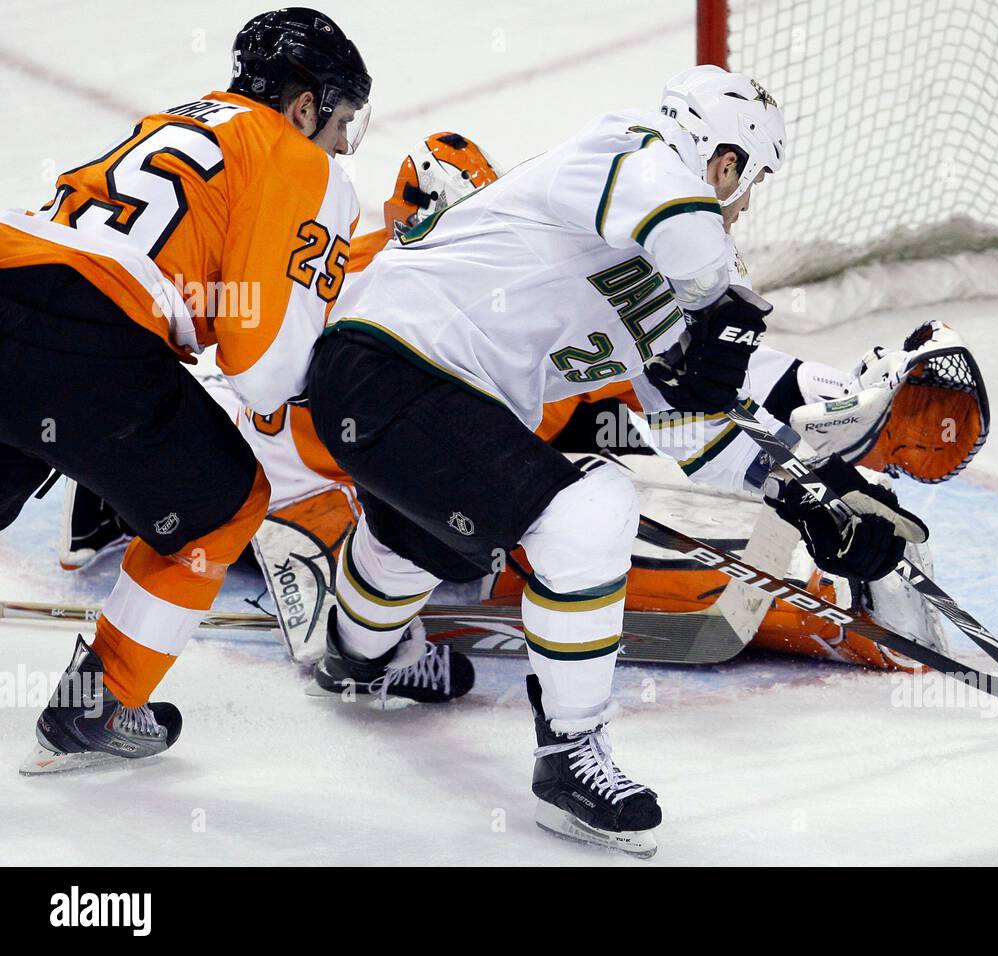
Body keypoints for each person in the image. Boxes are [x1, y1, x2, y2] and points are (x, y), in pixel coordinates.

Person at [303, 64, 928, 857]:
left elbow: (693, 415)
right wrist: (720, 309)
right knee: (589, 506)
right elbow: (696, 253)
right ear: (723, 161)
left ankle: (356, 658)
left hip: (418, 404)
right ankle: (571, 756)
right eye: (749, 180)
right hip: (389, 366)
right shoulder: (626, 150)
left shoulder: (655, 267)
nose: (747, 204)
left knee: (424, 538)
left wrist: (806, 497)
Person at [0, 8, 370, 774]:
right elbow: (263, 364)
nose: (341, 142)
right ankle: (96, 705)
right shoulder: (297, 158)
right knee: (225, 504)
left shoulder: (183, 119)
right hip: (86, 333)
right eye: (340, 120)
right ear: (305, 105)